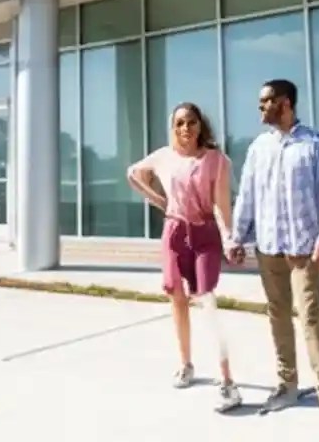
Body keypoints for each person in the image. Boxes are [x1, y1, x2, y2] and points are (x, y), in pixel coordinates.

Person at [226, 79, 319, 431]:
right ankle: (288, 385)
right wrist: (237, 237)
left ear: (285, 103)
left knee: (310, 317)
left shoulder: (315, 144)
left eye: (266, 101)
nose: (260, 107)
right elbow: (247, 195)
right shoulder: (258, 148)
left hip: (303, 249)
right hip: (267, 246)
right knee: (277, 315)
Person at [127, 102, 243, 413]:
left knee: (207, 300)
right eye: (179, 123)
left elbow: (220, 206)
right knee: (176, 297)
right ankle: (186, 363)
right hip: (174, 232)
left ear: (200, 125)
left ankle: (228, 381)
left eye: (191, 122)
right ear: (173, 127)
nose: (185, 128)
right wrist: (159, 201)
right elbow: (133, 173)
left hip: (205, 235)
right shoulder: (164, 156)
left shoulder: (216, 160)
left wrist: (229, 238)